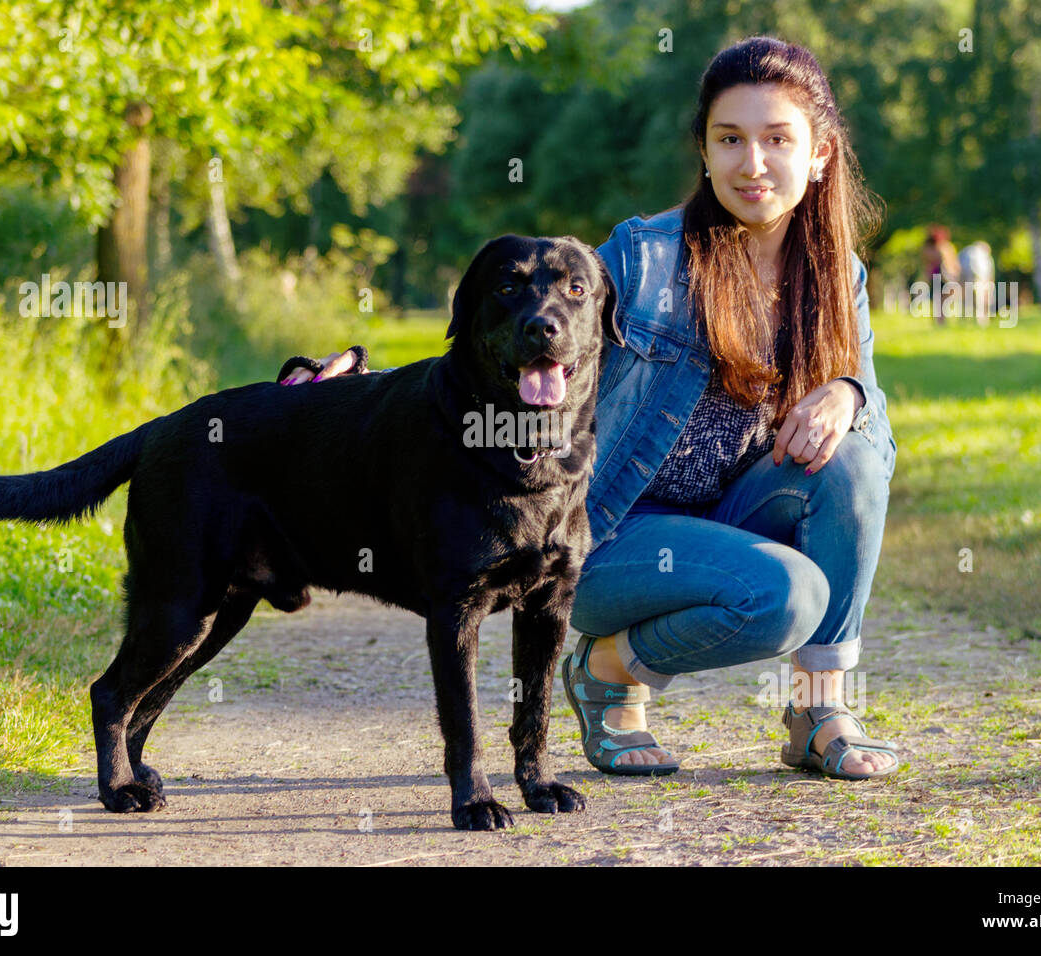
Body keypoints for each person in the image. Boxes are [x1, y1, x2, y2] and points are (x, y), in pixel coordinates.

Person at [287, 35, 900, 782]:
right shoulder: (645, 257)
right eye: (729, 139)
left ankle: (818, 710)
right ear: (704, 152)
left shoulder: (839, 277)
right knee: (784, 595)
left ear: (820, 153)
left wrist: (846, 390)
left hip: (723, 520)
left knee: (857, 462)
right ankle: (608, 672)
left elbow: (874, 435)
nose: (753, 163)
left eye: (778, 139)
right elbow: (523, 322)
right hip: (604, 533)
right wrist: (360, 383)